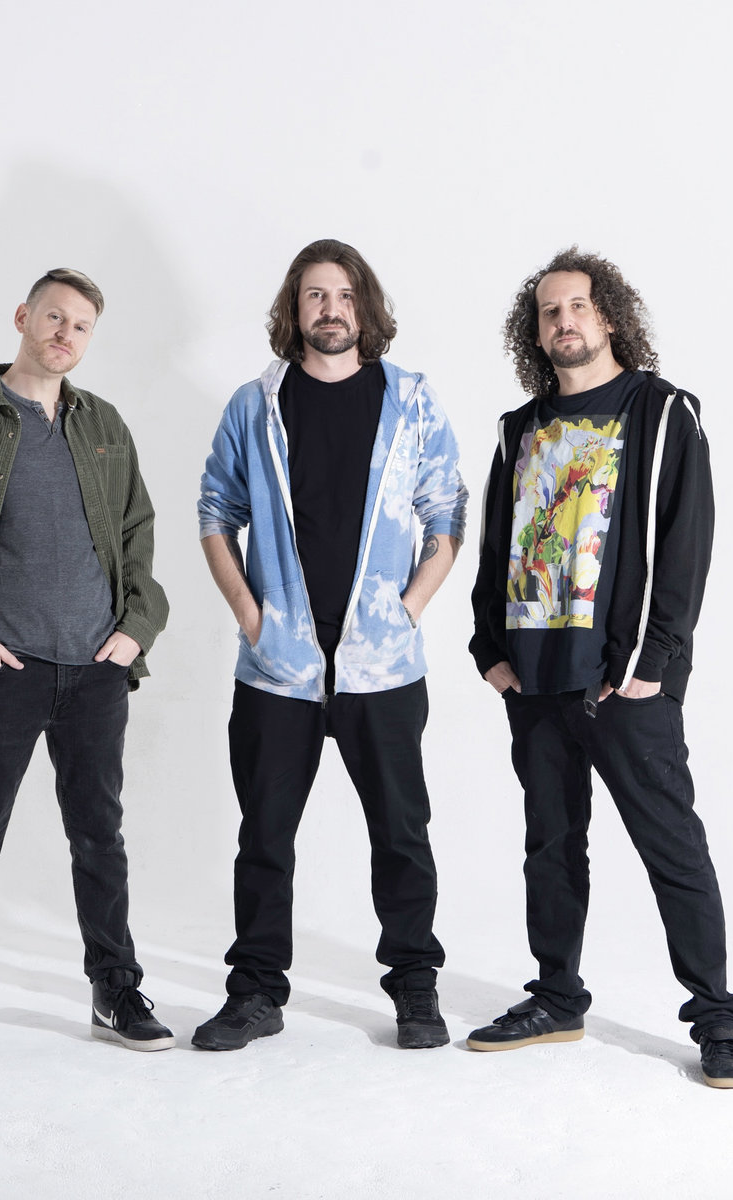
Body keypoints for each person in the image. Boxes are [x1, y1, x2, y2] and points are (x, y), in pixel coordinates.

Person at [467, 247, 733, 1088]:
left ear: (610, 316)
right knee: (551, 845)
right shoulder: (519, 429)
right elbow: (497, 543)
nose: (564, 321)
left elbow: (686, 544)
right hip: (537, 677)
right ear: (535, 331)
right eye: (549, 311)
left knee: (672, 847)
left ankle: (717, 1018)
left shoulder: (662, 413)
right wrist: (489, 650)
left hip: (625, 682)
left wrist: (652, 661)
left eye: (578, 306)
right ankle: (557, 997)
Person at [195, 239, 468, 1051]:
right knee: (264, 837)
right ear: (295, 308)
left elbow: (448, 510)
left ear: (365, 306)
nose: (331, 309)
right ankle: (255, 993)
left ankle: (415, 989)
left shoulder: (409, 400)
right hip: (277, 669)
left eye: (345, 294)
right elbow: (215, 512)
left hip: (382, 668)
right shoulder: (255, 406)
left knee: (401, 834)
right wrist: (252, 619)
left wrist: (408, 611)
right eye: (315, 294)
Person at [0, 268, 173, 1075]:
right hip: (1, 669)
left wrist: (134, 631)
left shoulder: (104, 424)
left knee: (100, 836)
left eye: (81, 325)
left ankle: (115, 988)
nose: (66, 334)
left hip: (95, 669)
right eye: (54, 317)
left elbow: (138, 532)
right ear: (23, 317)